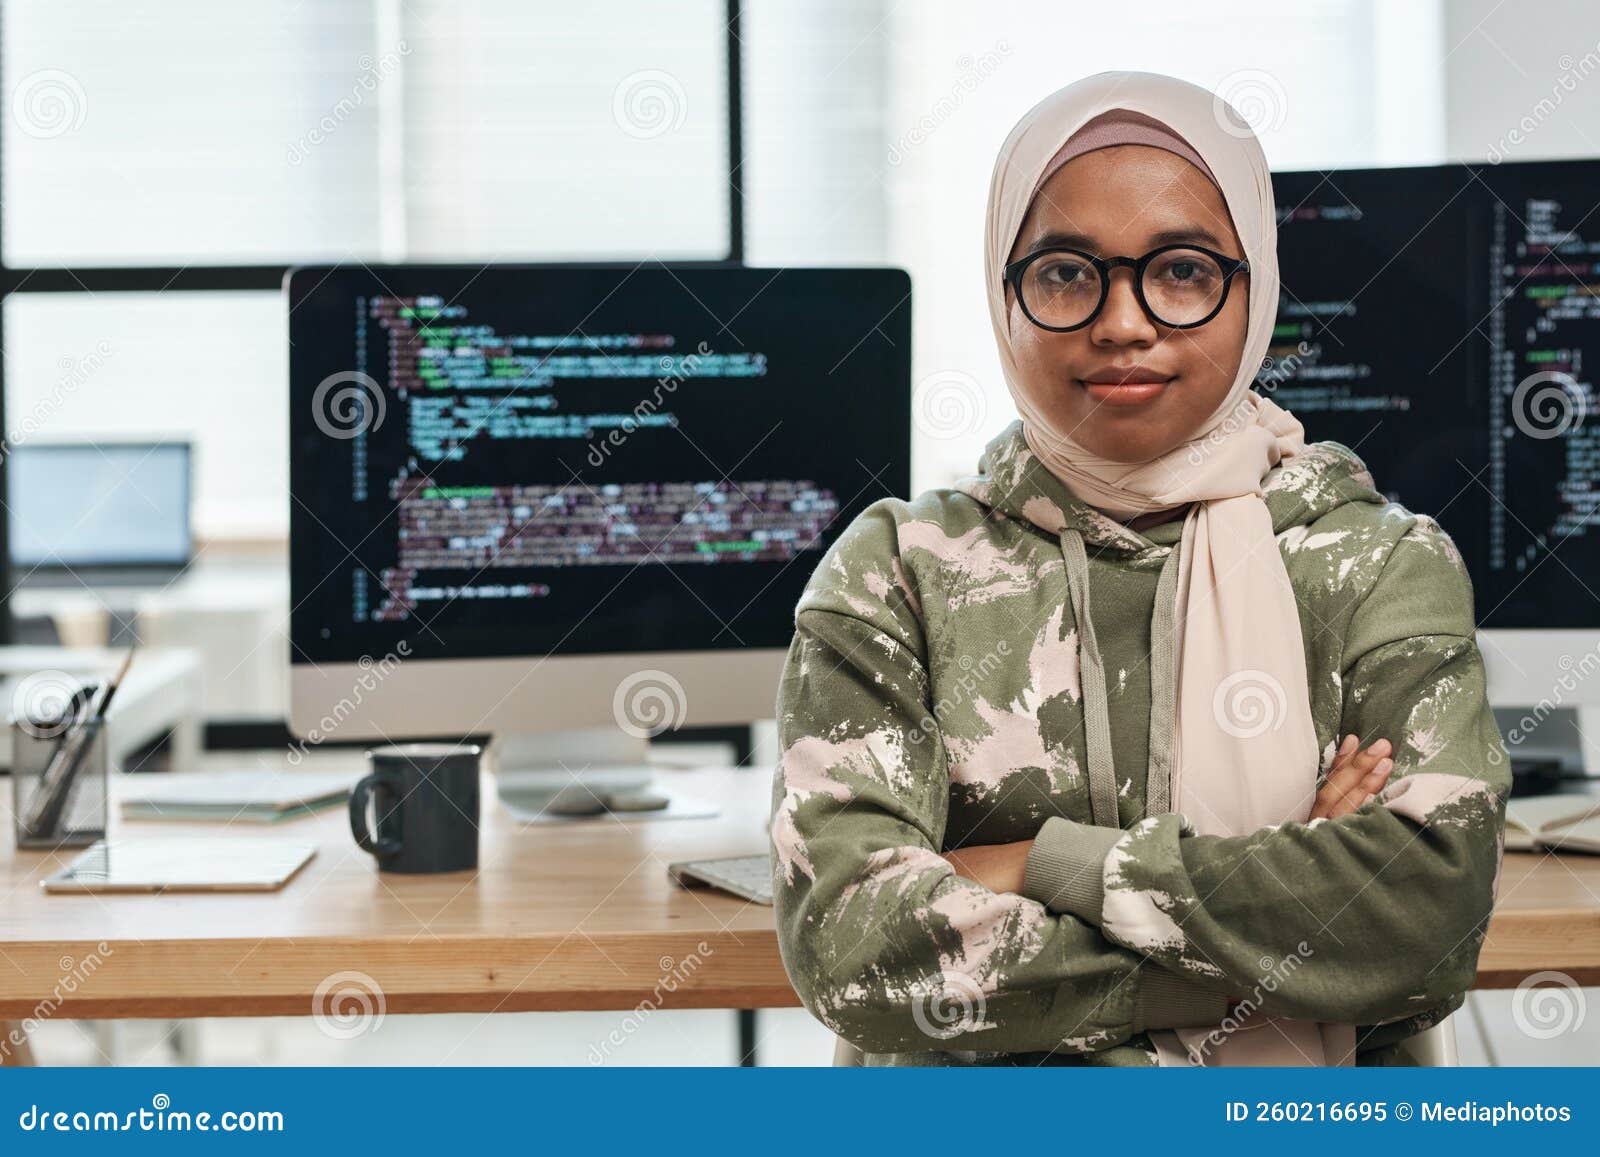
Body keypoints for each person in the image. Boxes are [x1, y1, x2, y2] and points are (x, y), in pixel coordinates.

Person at [769, 70, 1508, 1067]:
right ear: (1005, 297)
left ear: (1254, 292)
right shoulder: (898, 569)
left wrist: (1040, 862)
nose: (1122, 321)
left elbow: (1423, 925)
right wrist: (1284, 931)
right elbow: (857, 951)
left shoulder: (1376, 563)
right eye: (1067, 272)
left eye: (1183, 271)